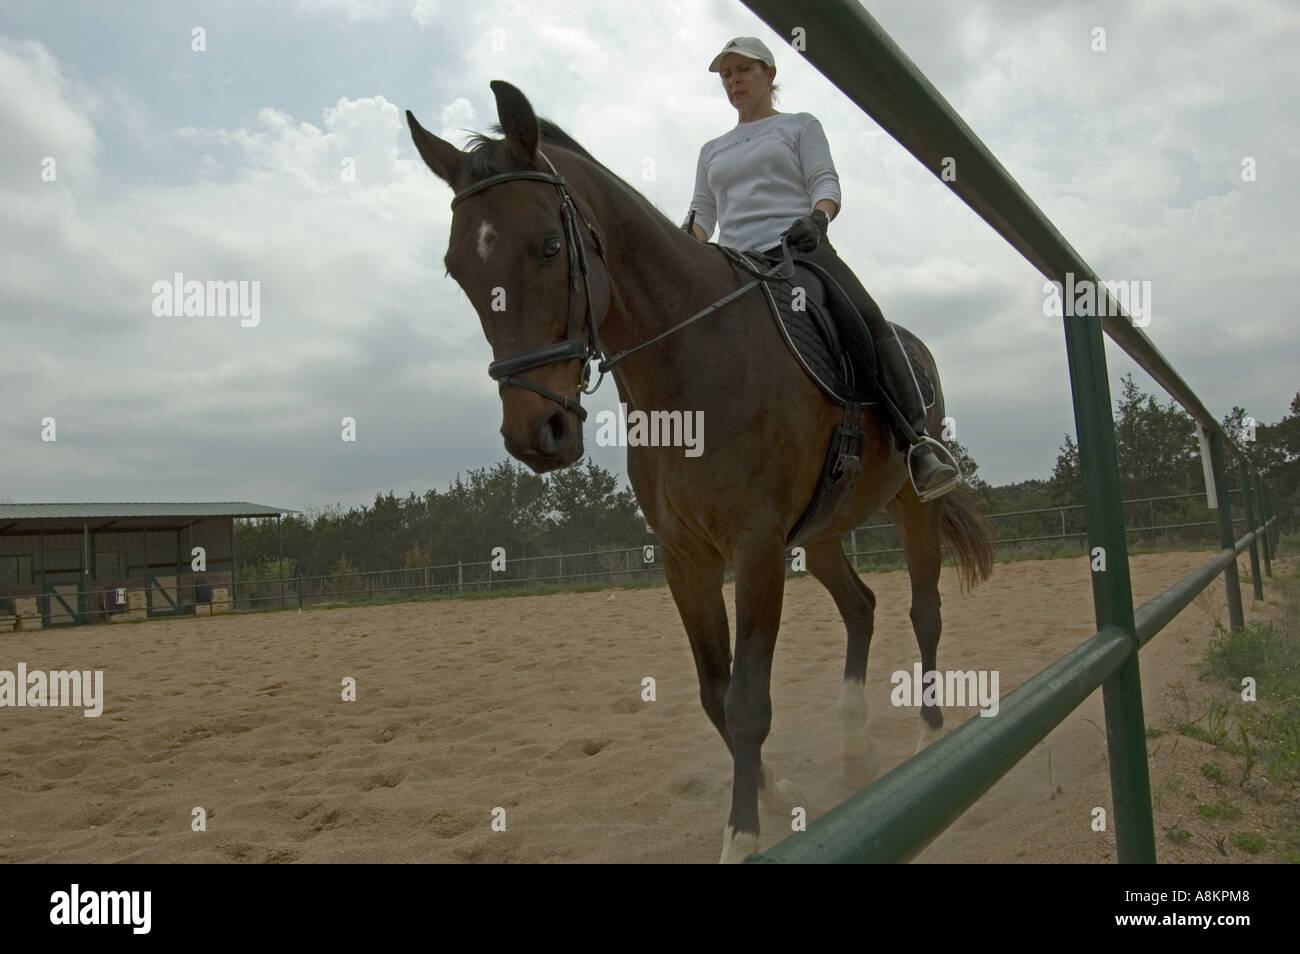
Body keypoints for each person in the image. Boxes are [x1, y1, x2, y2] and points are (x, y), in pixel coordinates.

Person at [685, 36, 960, 501]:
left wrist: (819, 217)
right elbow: (702, 215)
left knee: (864, 317)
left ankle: (917, 443)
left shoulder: (798, 125)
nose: (734, 82)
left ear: (769, 75)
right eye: (727, 75)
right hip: (734, 264)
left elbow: (824, 182)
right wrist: (684, 249)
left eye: (743, 71)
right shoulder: (712, 148)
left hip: (799, 250)